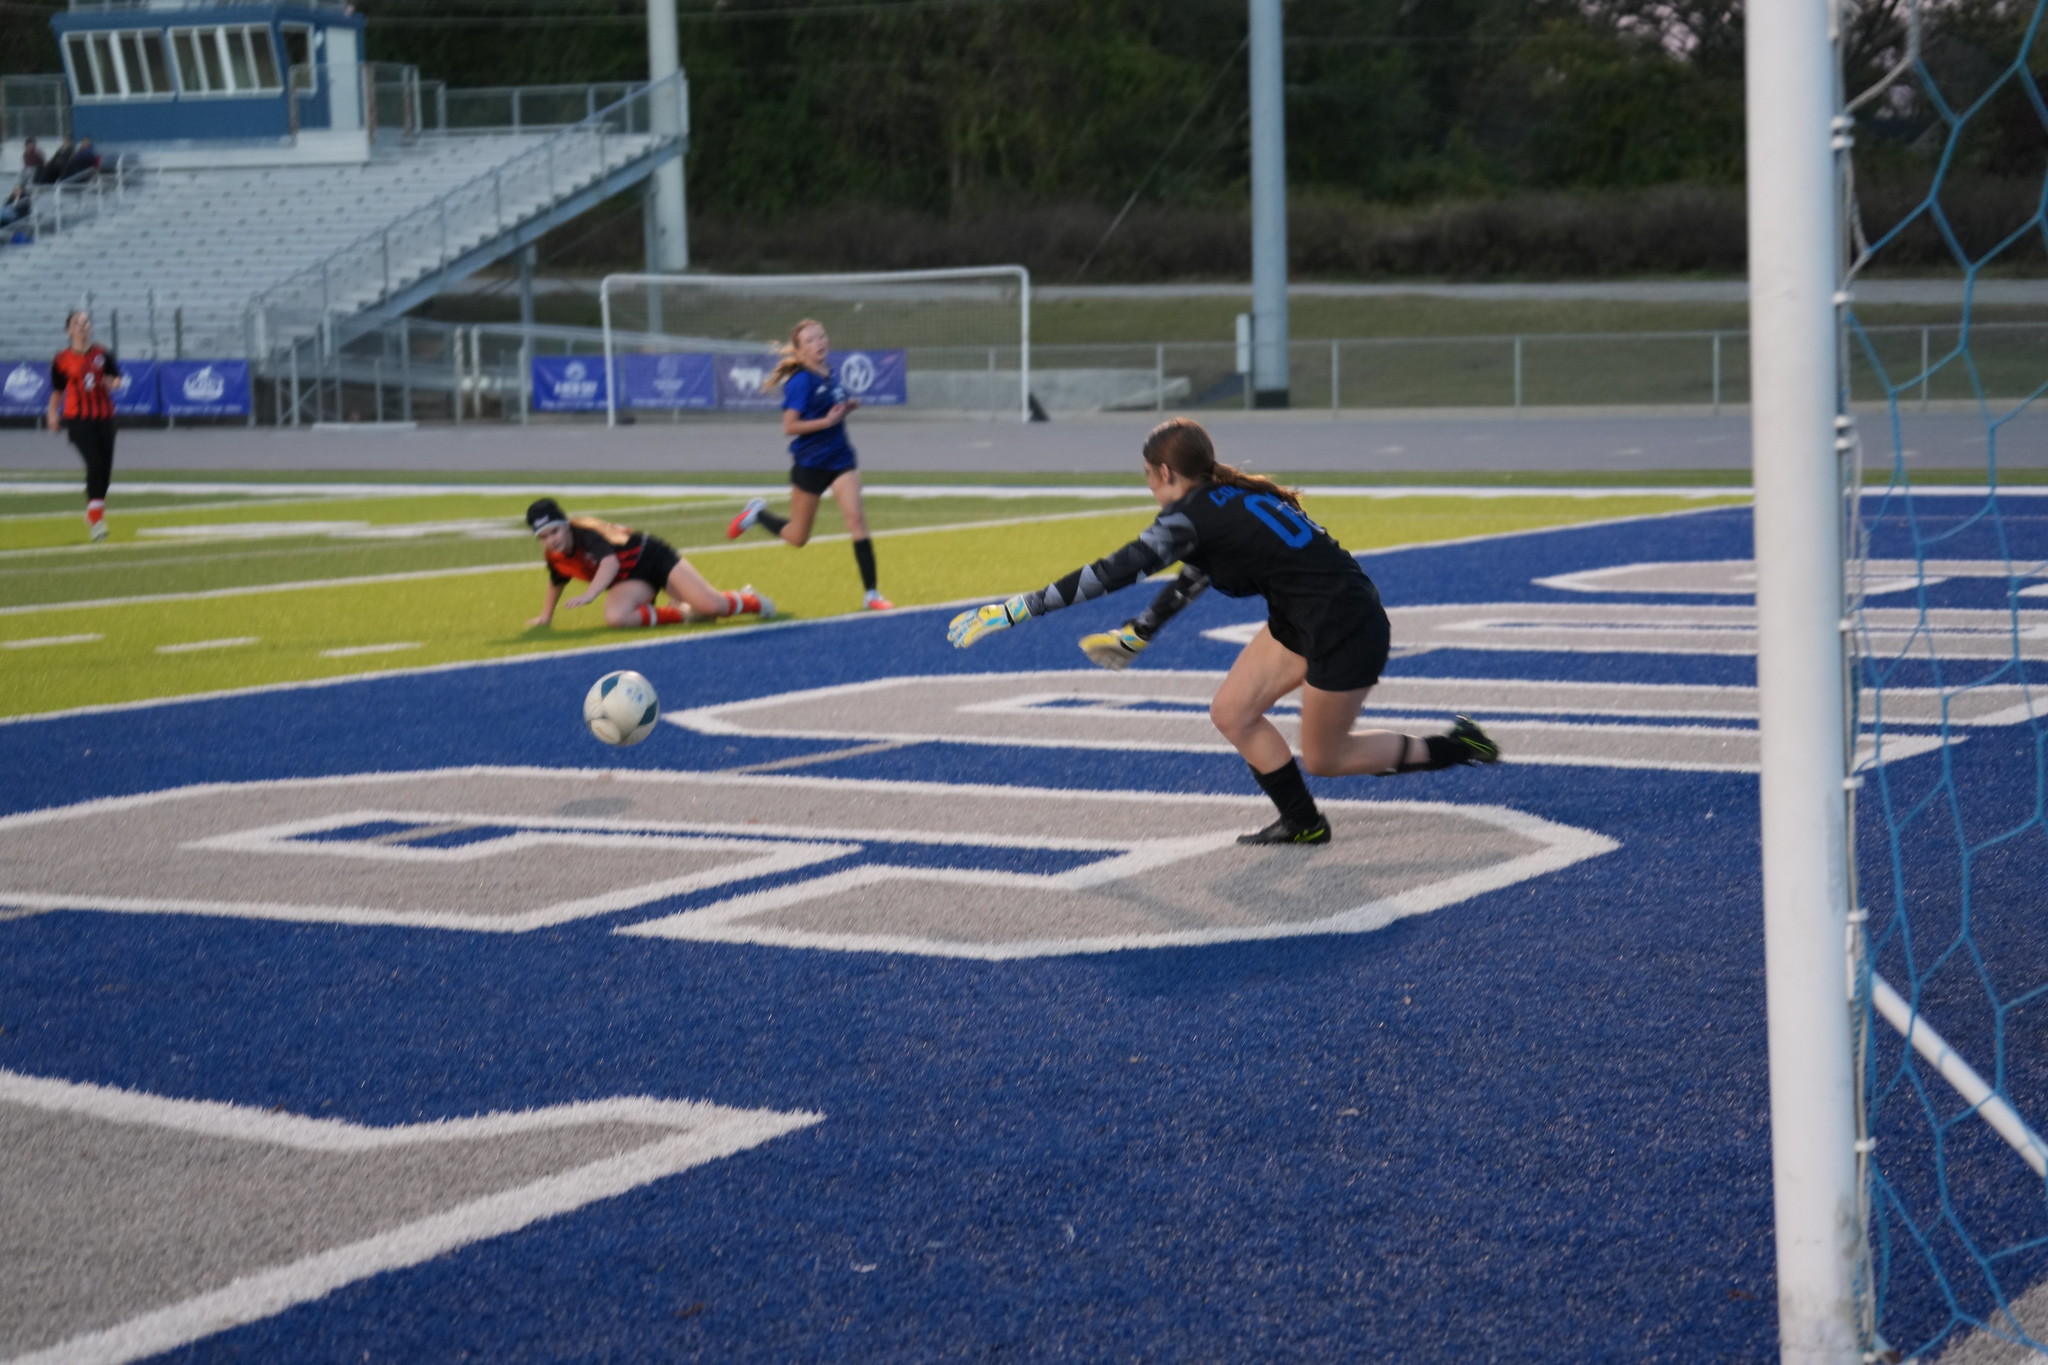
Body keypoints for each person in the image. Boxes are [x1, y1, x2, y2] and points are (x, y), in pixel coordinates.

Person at [947, 417, 1500, 845]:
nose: (1149, 488)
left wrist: (1018, 608)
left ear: (1163, 473)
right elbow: (1197, 573)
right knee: (1232, 712)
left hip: (1343, 626)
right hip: (1306, 617)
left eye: (1148, 478)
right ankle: (1303, 823)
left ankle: (1457, 747)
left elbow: (1115, 570)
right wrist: (1141, 633)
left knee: (1326, 758)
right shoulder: (1226, 498)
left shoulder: (1193, 512)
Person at [724, 318, 893, 611]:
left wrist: (846, 409)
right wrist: (827, 421)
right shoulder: (800, 381)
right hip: (810, 464)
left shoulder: (832, 373)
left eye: (822, 336)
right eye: (812, 340)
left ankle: (872, 594)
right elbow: (790, 426)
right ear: (800, 351)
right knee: (798, 537)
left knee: (856, 519)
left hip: (841, 458)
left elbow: (832, 414)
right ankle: (757, 514)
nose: (820, 343)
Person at [525, 498, 775, 632]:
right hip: (631, 578)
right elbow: (557, 580)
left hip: (653, 558)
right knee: (616, 617)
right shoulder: (554, 555)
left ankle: (751, 599)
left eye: (554, 531)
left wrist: (590, 594)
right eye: (544, 537)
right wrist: (545, 617)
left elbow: (609, 564)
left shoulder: (586, 533)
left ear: (566, 524)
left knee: (713, 606)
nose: (551, 540)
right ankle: (684, 613)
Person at [46, 310, 123, 543]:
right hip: (78, 417)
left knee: (105, 471)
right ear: (69, 330)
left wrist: (113, 382)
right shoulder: (61, 359)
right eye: (77, 323)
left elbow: (117, 379)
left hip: (105, 416)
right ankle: (96, 520)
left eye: (86, 321)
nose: (82, 325)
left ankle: (94, 515)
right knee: (95, 463)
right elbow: (58, 390)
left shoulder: (102, 352)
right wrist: (52, 413)